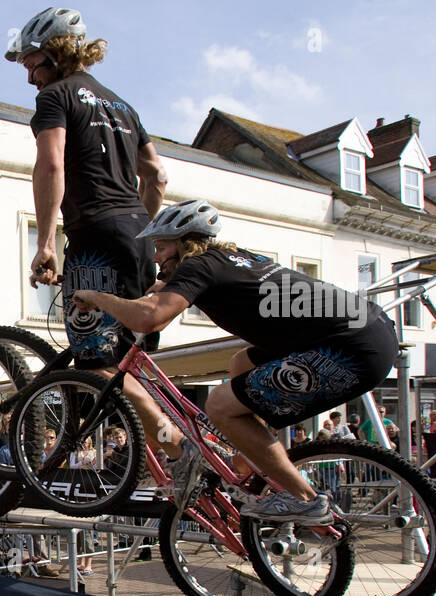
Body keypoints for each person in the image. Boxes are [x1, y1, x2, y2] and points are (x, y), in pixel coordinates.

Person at [71, 199, 398, 522]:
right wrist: (129, 294)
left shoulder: (198, 266)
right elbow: (161, 289)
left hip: (350, 346)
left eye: (160, 247)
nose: (155, 257)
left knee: (220, 405)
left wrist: (99, 298)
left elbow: (150, 318)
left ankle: (304, 499)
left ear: (185, 243)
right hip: (366, 328)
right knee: (243, 364)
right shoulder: (227, 258)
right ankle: (246, 463)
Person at [8, 7, 172, 455]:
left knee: (95, 364)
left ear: (55, 54)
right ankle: (173, 460)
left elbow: (52, 163)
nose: (29, 79)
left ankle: (177, 447)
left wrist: (45, 242)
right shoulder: (123, 105)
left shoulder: (55, 97)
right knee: (128, 366)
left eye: (32, 64)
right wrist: (143, 225)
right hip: (139, 235)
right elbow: (156, 175)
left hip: (95, 238)